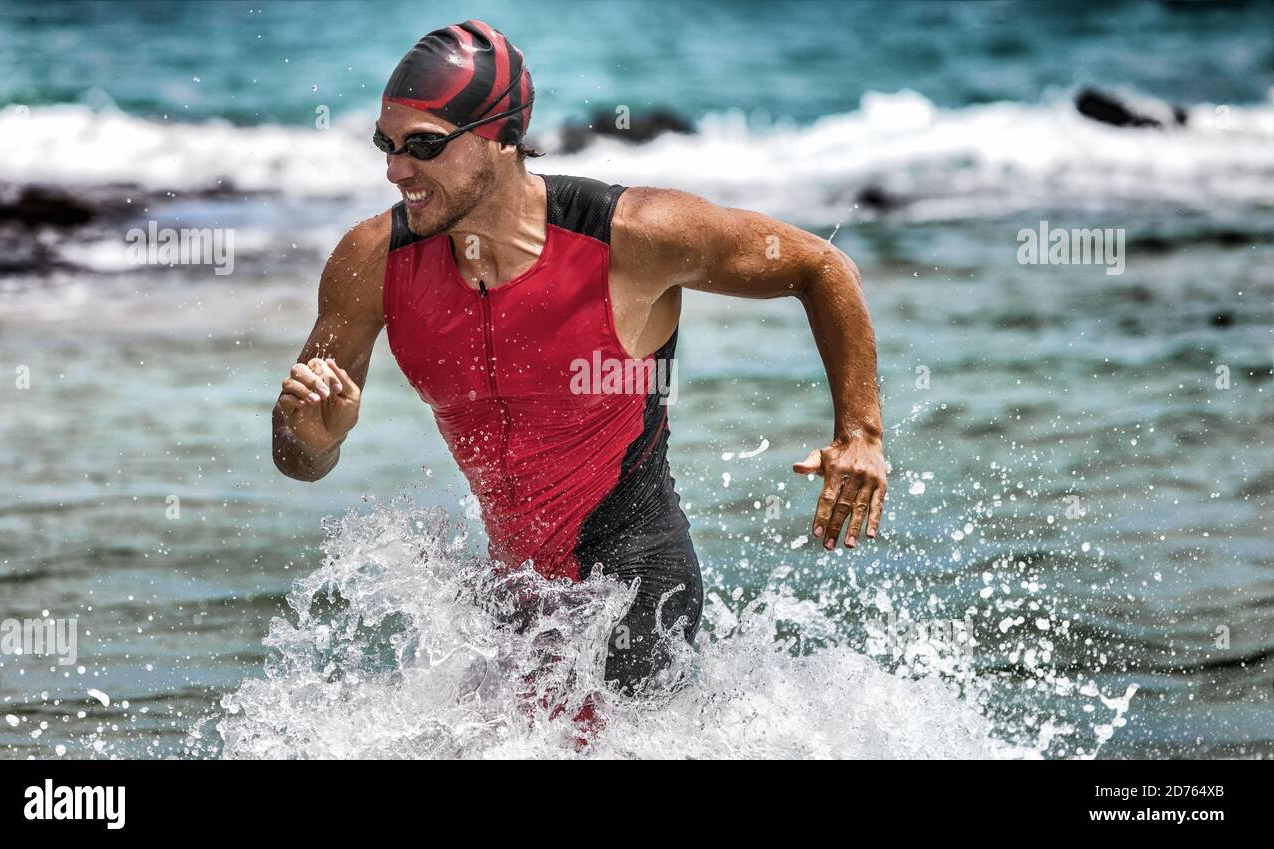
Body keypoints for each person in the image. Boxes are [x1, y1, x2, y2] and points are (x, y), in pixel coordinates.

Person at [272, 19, 886, 700]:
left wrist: (860, 433)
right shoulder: (372, 263)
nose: (395, 169)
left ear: (501, 139)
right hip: (512, 603)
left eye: (424, 145)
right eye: (386, 143)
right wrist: (313, 435)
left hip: (636, 585)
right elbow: (297, 460)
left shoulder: (631, 237)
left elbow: (820, 267)